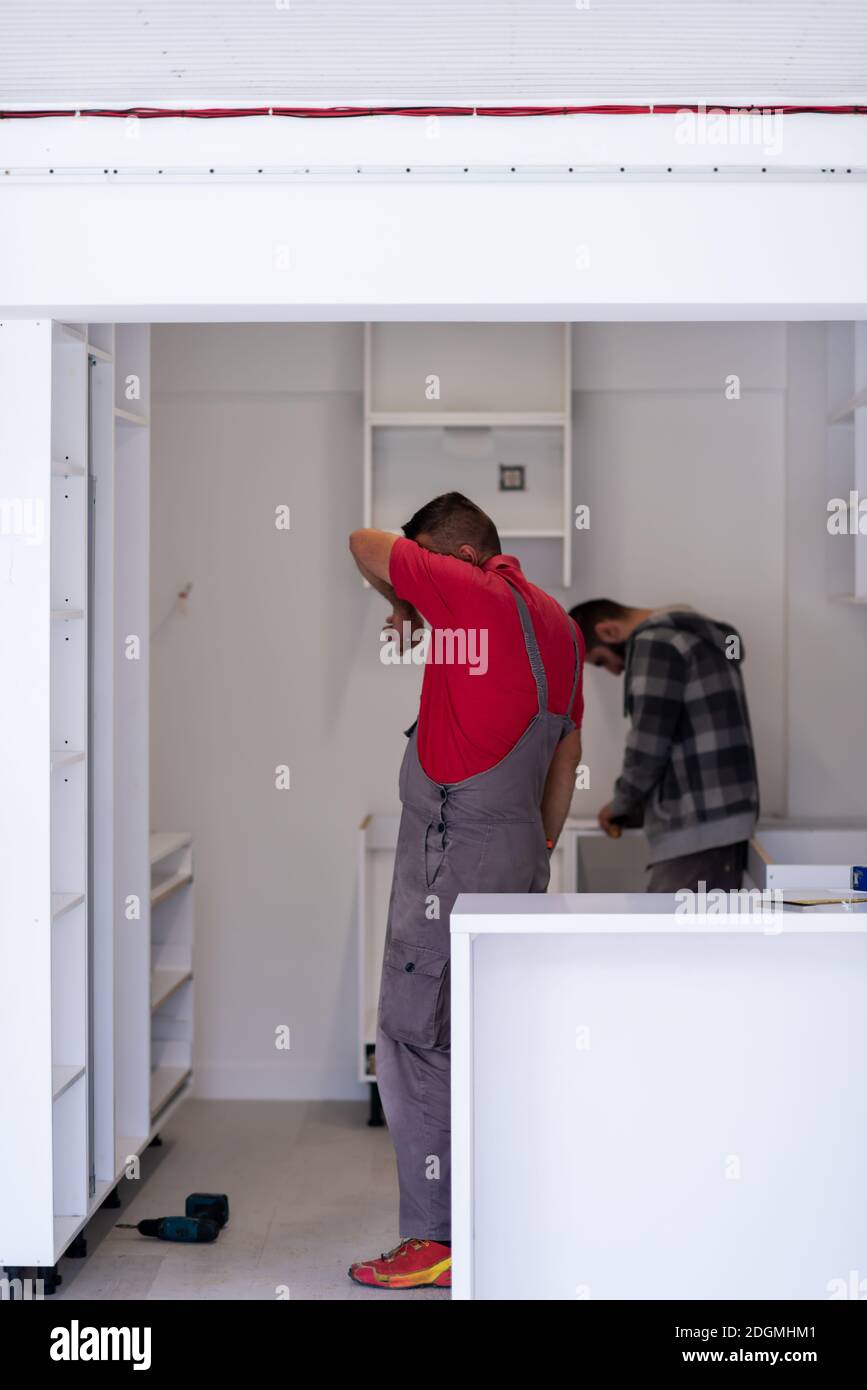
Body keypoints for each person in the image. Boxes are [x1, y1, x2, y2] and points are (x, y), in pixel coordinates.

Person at [348, 493, 584, 1289]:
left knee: (414, 1039)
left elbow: (361, 541)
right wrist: (539, 850)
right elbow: (564, 759)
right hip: (517, 850)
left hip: (449, 854)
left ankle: (434, 1240)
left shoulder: (462, 589)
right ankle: (496, 1225)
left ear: (446, 556)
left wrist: (404, 602)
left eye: (422, 575)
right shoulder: (555, 622)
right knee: (486, 1039)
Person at [568, 598, 759, 893]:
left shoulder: (655, 642)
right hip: (721, 822)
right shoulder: (696, 638)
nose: (614, 671)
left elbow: (648, 745)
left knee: (672, 937)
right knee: (700, 937)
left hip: (696, 828)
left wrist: (621, 803)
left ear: (608, 632)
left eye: (601, 660)